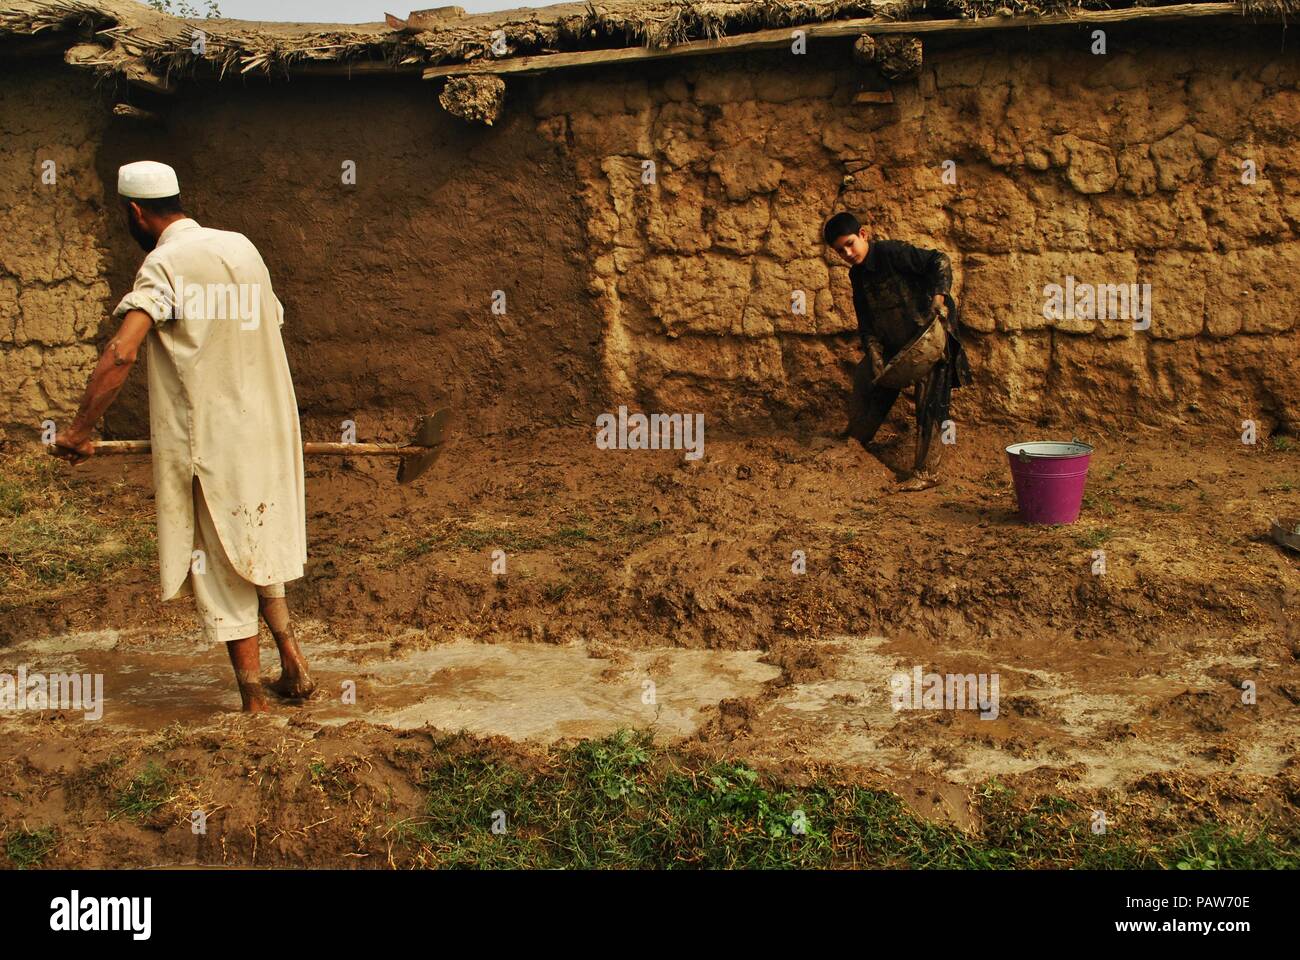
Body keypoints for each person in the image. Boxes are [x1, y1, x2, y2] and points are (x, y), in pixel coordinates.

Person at [50, 160, 314, 712]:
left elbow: (122, 351)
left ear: (135, 212)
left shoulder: (163, 265)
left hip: (212, 443)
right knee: (255, 540)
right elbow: (271, 321)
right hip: (267, 429)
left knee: (219, 561)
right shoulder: (241, 247)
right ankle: (292, 663)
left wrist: (78, 430)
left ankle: (255, 704)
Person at [823, 211, 972, 491]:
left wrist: (938, 300)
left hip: (930, 337)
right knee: (868, 377)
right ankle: (857, 441)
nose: (847, 252)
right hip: (897, 343)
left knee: (930, 400)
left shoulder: (892, 252)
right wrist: (875, 353)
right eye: (840, 250)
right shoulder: (857, 276)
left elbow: (939, 260)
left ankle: (927, 473)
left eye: (850, 243)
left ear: (864, 234)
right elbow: (865, 322)